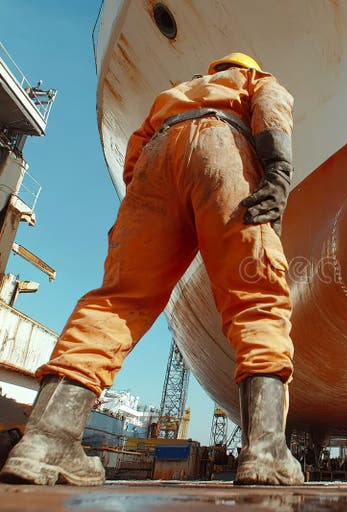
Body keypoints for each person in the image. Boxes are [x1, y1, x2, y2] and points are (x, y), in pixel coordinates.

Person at [0, 53, 303, 486]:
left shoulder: (172, 96)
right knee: (256, 297)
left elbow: (134, 159)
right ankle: (267, 453)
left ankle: (45, 441)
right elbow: (273, 107)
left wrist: (146, 212)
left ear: (213, 69)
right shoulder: (254, 79)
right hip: (224, 149)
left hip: (155, 165)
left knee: (118, 300)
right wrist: (277, 173)